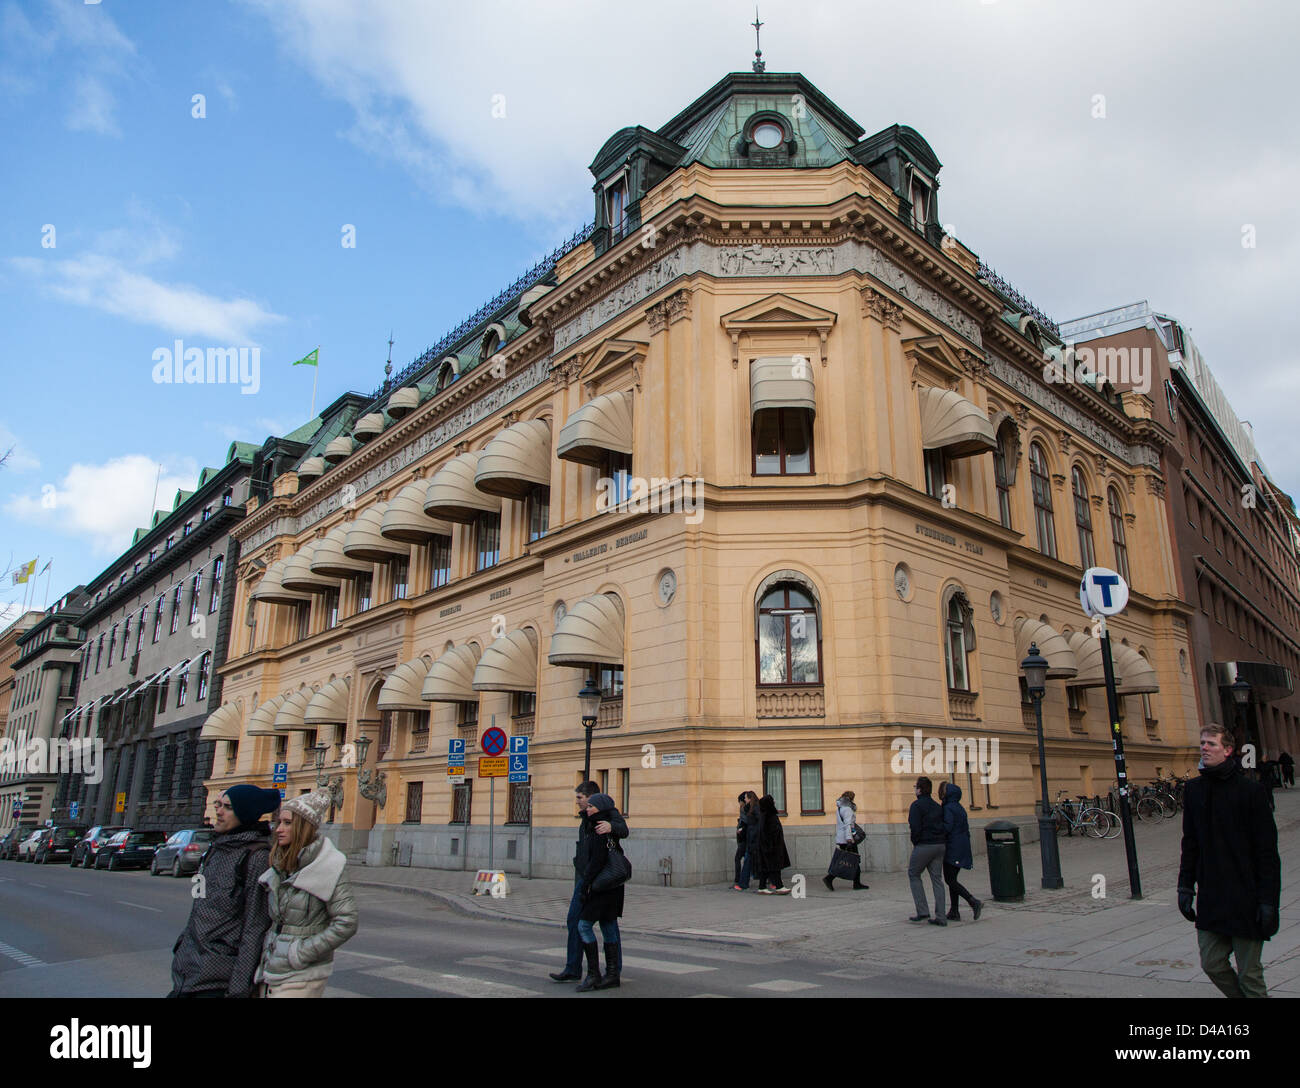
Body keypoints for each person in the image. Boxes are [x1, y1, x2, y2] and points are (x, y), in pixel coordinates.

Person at [1178, 725, 1280, 998]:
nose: (1204, 748)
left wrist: (1268, 901)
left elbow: (1267, 852)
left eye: (1211, 743)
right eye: (1202, 743)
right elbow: (1190, 844)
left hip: (1247, 897)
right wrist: (1185, 887)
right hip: (1212, 896)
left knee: (1250, 974)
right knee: (1211, 963)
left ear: (1228, 750)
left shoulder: (1251, 791)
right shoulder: (1194, 790)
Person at [168, 784, 280, 997]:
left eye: (227, 807)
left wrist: (238, 990)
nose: (218, 811)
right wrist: (182, 945)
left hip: (217, 982)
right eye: (218, 805)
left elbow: (254, 928)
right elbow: (198, 908)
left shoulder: (255, 857)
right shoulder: (214, 850)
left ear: (244, 813)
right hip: (187, 974)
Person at [255, 790, 358, 998]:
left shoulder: (328, 864)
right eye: (279, 822)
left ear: (303, 827)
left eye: (287, 823)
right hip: (272, 969)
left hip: (302, 976)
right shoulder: (281, 864)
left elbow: (347, 921)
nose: (278, 829)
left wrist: (300, 953)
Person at [550, 781, 627, 982]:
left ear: (590, 798)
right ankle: (573, 967)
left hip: (604, 881)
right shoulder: (586, 819)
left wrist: (612, 826)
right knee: (575, 920)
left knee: (607, 923)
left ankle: (613, 971)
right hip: (586, 878)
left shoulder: (608, 814)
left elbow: (623, 829)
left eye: (580, 798)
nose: (577, 802)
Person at [576, 792, 627, 991]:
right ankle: (611, 974)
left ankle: (594, 973)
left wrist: (585, 884)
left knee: (584, 925)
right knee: (607, 925)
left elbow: (597, 860)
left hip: (601, 886)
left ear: (600, 808)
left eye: (591, 806)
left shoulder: (601, 826)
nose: (586, 809)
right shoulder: (595, 823)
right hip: (611, 886)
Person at [907, 776, 947, 925]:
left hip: (924, 845)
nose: (915, 789)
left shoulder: (917, 806)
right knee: (937, 879)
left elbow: (915, 826)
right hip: (940, 845)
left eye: (915, 787)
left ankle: (922, 911)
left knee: (914, 873)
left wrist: (916, 842)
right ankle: (941, 916)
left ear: (920, 789)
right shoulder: (937, 806)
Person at [938, 782, 981, 921]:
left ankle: (973, 901)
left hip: (952, 847)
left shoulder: (949, 808)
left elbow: (947, 827)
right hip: (961, 846)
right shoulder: (959, 807)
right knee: (952, 879)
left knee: (950, 879)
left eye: (943, 791)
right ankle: (954, 911)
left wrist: (937, 828)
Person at [823, 790, 868, 891]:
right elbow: (848, 825)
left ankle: (854, 882)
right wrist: (849, 839)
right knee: (853, 860)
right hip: (847, 839)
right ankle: (831, 879)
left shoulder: (840, 808)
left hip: (841, 838)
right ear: (851, 799)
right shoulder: (847, 809)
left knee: (844, 860)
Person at [755, 794, 791, 894]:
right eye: (772, 800)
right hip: (772, 846)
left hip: (769, 846)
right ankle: (779, 886)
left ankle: (762, 887)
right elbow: (769, 832)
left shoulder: (765, 814)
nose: (774, 802)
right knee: (775, 867)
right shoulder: (769, 815)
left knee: (766, 868)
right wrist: (771, 845)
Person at [732, 790, 760, 891]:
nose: (744, 800)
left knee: (746, 860)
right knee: (750, 860)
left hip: (750, 839)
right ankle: (765, 882)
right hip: (750, 838)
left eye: (745, 798)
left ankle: (741, 882)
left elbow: (752, 824)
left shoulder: (750, 810)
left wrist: (742, 829)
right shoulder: (751, 809)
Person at [732, 792, 748, 888]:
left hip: (743, 839)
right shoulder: (746, 809)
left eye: (740, 801)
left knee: (737, 858)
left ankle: (738, 881)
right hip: (744, 839)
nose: (739, 804)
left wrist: (741, 828)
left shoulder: (744, 809)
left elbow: (746, 822)